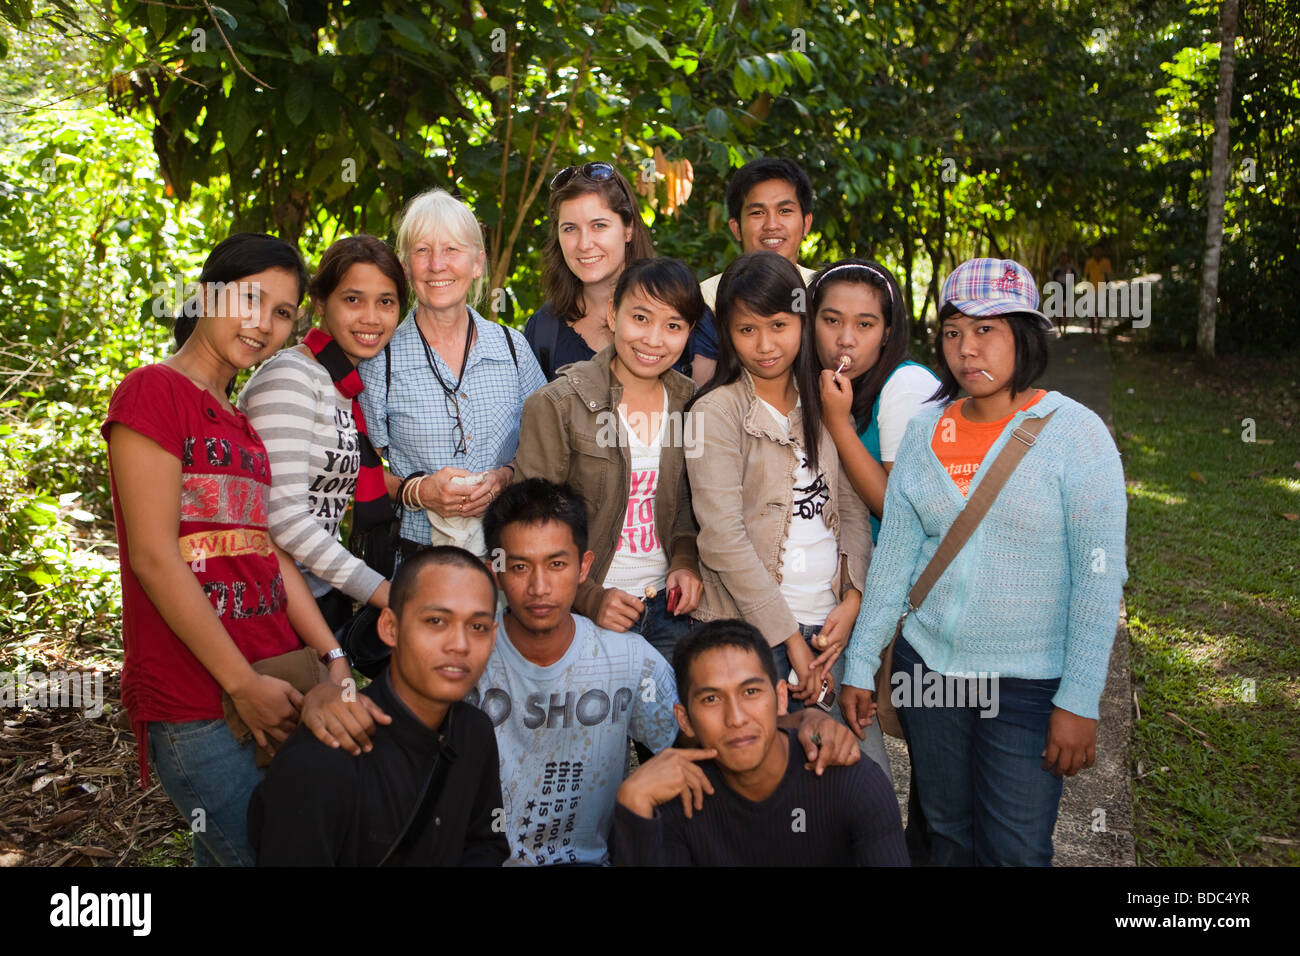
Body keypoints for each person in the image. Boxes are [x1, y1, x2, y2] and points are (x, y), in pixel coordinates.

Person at [839, 258, 1129, 866]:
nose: (966, 350)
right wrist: (861, 665)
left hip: (1027, 683)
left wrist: (1079, 698)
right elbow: (894, 559)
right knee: (946, 836)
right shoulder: (923, 432)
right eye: (952, 332)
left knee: (1016, 850)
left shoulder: (1076, 435)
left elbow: (1099, 578)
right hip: (929, 675)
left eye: (986, 330)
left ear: (1024, 336)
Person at [103, 233, 360, 866]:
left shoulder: (241, 424)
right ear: (206, 294)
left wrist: (331, 654)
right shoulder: (152, 392)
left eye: (281, 313)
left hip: (273, 684)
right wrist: (240, 683)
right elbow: (154, 557)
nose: (263, 324)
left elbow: (266, 552)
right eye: (250, 299)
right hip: (198, 699)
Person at [470, 479, 864, 866]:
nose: (540, 587)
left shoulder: (626, 659)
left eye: (556, 564)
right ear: (495, 572)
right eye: (520, 566)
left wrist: (804, 720)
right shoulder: (468, 660)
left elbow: (708, 736)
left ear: (583, 566)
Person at [686, 251, 870, 733]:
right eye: (746, 330)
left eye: (778, 325)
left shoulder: (825, 398)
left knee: (846, 785)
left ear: (802, 322)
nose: (765, 345)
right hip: (751, 636)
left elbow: (849, 511)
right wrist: (789, 638)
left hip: (828, 631)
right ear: (726, 333)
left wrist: (852, 600)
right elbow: (721, 537)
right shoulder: (714, 413)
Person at [247, 547, 508, 866]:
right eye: (436, 620)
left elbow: (486, 843)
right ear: (390, 628)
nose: (460, 644)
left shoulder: (473, 732)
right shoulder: (326, 754)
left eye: (477, 626)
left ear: (493, 637)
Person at [515, 257, 704, 661]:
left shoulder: (692, 406)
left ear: (688, 334)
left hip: (670, 611)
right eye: (640, 317)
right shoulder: (559, 405)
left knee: (672, 721)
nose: (654, 340)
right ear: (612, 314)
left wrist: (685, 564)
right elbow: (528, 530)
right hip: (582, 614)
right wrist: (587, 597)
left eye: (673, 326)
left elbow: (689, 507)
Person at [612, 620, 908, 866]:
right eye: (711, 699)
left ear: (781, 698)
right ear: (685, 719)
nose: (736, 718)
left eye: (751, 692)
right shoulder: (677, 801)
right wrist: (633, 804)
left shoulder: (848, 780)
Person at [358, 187, 546, 559]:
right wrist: (419, 492)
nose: (437, 265)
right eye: (422, 250)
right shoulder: (381, 359)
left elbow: (546, 447)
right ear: (405, 265)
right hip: (417, 559)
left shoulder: (512, 349)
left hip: (507, 559)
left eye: (451, 250)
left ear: (477, 263)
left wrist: (505, 477)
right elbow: (358, 472)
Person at [239, 235, 404, 632]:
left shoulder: (340, 382)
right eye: (352, 299)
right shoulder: (292, 378)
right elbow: (284, 519)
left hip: (315, 594)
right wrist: (388, 595)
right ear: (319, 304)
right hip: (271, 605)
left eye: (386, 301)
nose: (371, 317)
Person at [524, 162, 717, 382]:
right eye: (570, 228)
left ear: (628, 229)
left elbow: (706, 409)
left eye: (599, 226)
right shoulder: (543, 329)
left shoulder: (687, 310)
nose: (584, 244)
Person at [695, 157, 819, 385]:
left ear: (806, 223)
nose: (772, 224)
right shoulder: (706, 300)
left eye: (784, 210)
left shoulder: (824, 292)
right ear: (736, 228)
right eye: (757, 213)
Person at [1082, 243, 1112, 337]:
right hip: (1091, 290)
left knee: (1100, 312)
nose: (1097, 252)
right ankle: (1093, 332)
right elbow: (1087, 276)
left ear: (1102, 251)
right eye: (1095, 250)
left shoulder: (1106, 262)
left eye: (1099, 250)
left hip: (1102, 289)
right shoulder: (1089, 262)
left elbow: (1108, 277)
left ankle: (1098, 331)